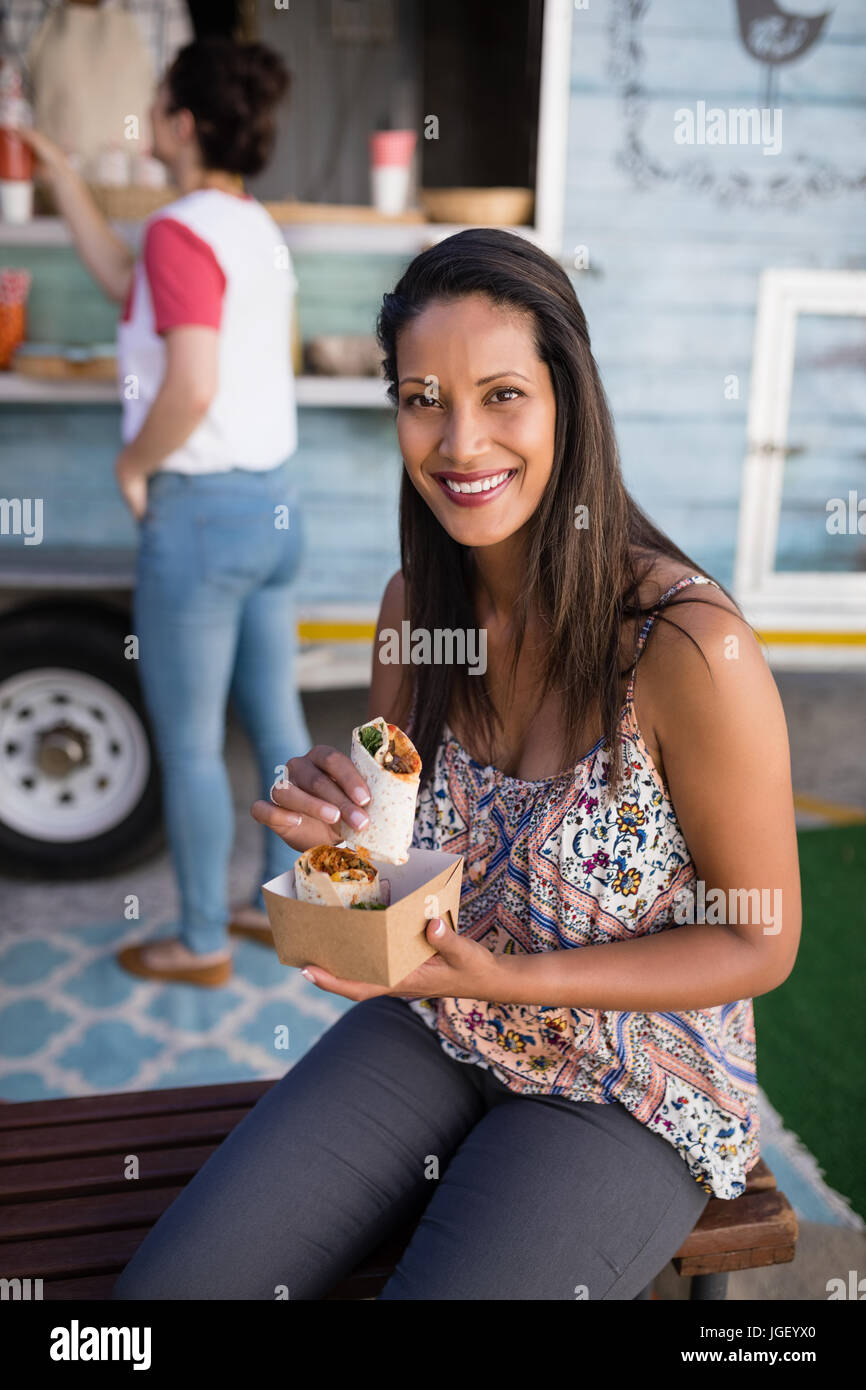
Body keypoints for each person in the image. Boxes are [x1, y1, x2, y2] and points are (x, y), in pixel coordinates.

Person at [112, 228, 801, 1299]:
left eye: (501, 395)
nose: (459, 441)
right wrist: (335, 837)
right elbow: (393, 862)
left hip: (625, 1078)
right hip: (435, 1018)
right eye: (422, 397)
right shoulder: (413, 613)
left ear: (566, 400)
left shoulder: (685, 648)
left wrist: (519, 980)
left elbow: (760, 937)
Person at [23, 38, 312, 987]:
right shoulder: (248, 226)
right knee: (275, 724)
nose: (148, 113)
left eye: (158, 102)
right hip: (273, 507)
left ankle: (199, 942)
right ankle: (280, 907)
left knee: (190, 741)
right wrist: (61, 169)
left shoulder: (181, 231)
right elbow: (122, 283)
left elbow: (188, 384)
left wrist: (134, 462)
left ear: (184, 123)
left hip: (200, 514)